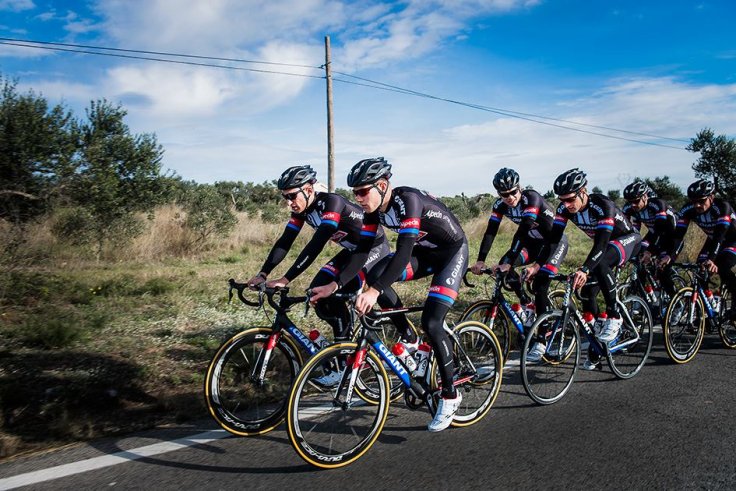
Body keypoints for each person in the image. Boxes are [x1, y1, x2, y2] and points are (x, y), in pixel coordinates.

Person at [311, 157, 468, 432]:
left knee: (431, 321)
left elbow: (404, 252)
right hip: (426, 253)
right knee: (374, 273)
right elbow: (362, 252)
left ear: (382, 185)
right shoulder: (374, 211)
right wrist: (336, 285)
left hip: (451, 253)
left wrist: (373, 292)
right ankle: (412, 342)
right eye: (354, 193)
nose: (358, 198)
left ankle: (450, 395)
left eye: (362, 191)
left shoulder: (408, 201)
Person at [247, 165, 391, 385]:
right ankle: (343, 353)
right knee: (318, 294)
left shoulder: (330, 203)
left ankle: (349, 362)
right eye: (285, 197)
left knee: (333, 292)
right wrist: (263, 274)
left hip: (373, 248)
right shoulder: (301, 212)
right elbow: (285, 241)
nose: (289, 202)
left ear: (308, 189)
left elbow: (316, 244)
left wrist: (286, 279)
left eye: (292, 196)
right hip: (352, 251)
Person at [470, 167, 569, 362]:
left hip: (552, 244)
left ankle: (541, 338)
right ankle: (526, 302)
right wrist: (481, 259)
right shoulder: (500, 205)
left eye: (512, 192)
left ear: (519, 188)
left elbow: (522, 230)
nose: (509, 197)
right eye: (504, 194)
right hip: (533, 243)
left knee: (540, 284)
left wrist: (521, 261)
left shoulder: (531, 198)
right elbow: (491, 231)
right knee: (504, 266)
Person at [550, 168, 641, 370]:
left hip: (627, 240)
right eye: (562, 200)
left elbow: (600, 245)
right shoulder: (564, 209)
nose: (566, 204)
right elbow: (552, 241)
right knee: (587, 292)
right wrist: (542, 266)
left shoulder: (602, 206)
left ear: (583, 191)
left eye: (570, 199)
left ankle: (614, 315)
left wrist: (584, 268)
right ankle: (598, 343)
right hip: (605, 247)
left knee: (598, 264)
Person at [660, 179, 736, 320]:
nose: (697, 205)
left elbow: (720, 235)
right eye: (694, 201)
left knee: (725, 266)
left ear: (711, 197)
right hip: (712, 241)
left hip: (730, 240)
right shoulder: (688, 209)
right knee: (700, 270)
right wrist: (671, 256)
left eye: (701, 201)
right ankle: (710, 304)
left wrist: (712, 259)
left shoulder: (722, 207)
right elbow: (678, 236)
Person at [622, 180, 678, 299]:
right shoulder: (630, 208)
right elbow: (631, 232)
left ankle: (677, 303)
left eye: (636, 201)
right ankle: (643, 297)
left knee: (662, 271)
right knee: (640, 260)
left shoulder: (657, 204)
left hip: (671, 237)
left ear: (645, 196)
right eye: (630, 202)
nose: (633, 205)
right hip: (653, 234)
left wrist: (650, 251)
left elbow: (660, 230)